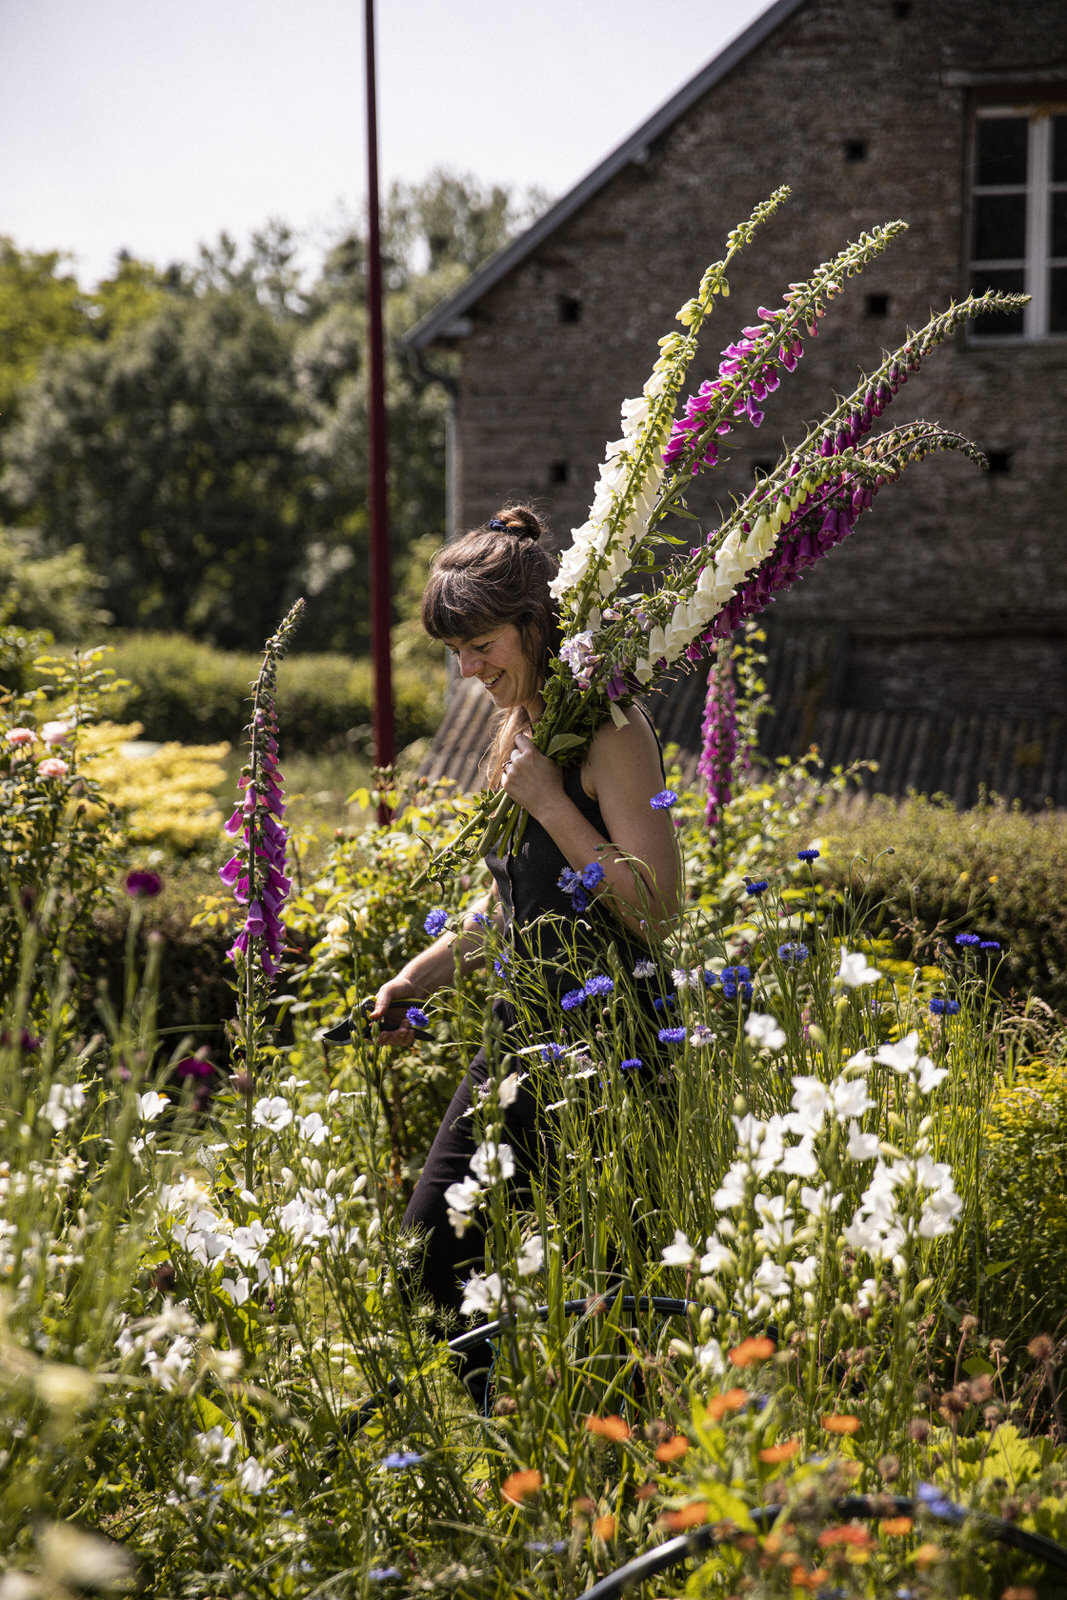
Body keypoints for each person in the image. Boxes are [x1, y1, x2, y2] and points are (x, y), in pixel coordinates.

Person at [368, 504, 680, 1404]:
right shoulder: (525, 722)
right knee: (430, 1262)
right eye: (454, 652)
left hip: (614, 1043)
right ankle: (503, 1442)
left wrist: (550, 802)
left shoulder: (611, 729)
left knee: (614, 1307)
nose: (466, 670)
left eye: (478, 645)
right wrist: (417, 974)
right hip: (520, 1034)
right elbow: (520, 894)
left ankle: (613, 1489)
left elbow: (656, 909)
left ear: (534, 625)